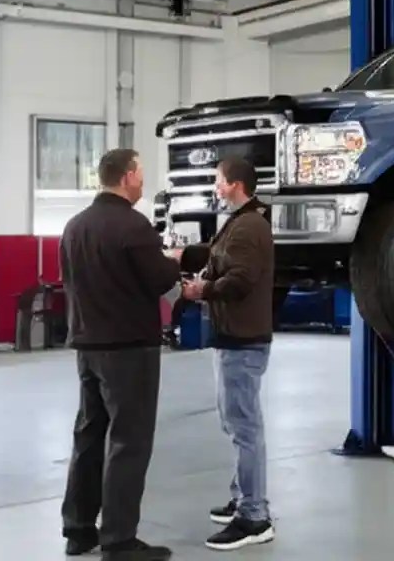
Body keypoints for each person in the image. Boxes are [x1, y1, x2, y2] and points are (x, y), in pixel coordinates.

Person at [59, 148, 180, 561]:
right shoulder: (134, 225)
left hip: (87, 345)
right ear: (128, 176)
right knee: (129, 442)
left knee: (90, 435)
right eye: (141, 172)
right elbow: (161, 280)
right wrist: (174, 261)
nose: (143, 180)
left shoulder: (74, 227)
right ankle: (119, 540)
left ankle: (78, 530)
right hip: (129, 348)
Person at [175, 157, 276, 551]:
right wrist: (183, 258)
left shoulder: (249, 225)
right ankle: (243, 498)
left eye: (218, 180)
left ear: (234, 184)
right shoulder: (241, 220)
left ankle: (255, 516)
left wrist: (202, 291)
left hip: (243, 339)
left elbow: (240, 279)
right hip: (234, 337)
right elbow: (220, 258)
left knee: (245, 428)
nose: (215, 186)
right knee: (235, 423)